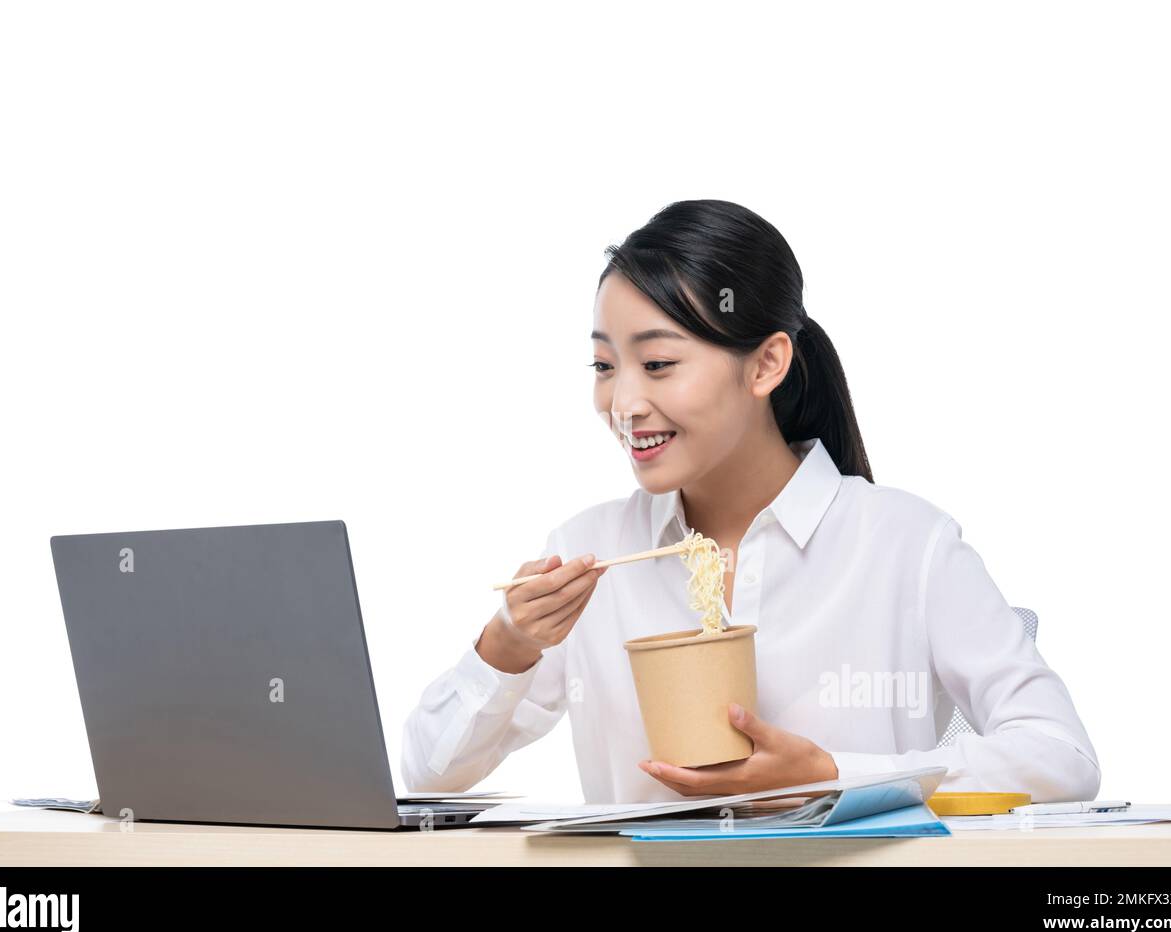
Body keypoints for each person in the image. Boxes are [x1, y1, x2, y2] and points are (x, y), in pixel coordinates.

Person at [401, 199, 1101, 805]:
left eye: (658, 364)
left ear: (766, 362)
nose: (623, 404)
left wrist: (834, 775)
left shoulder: (905, 543)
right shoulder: (593, 551)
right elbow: (428, 776)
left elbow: (1060, 756)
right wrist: (509, 644)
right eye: (604, 367)